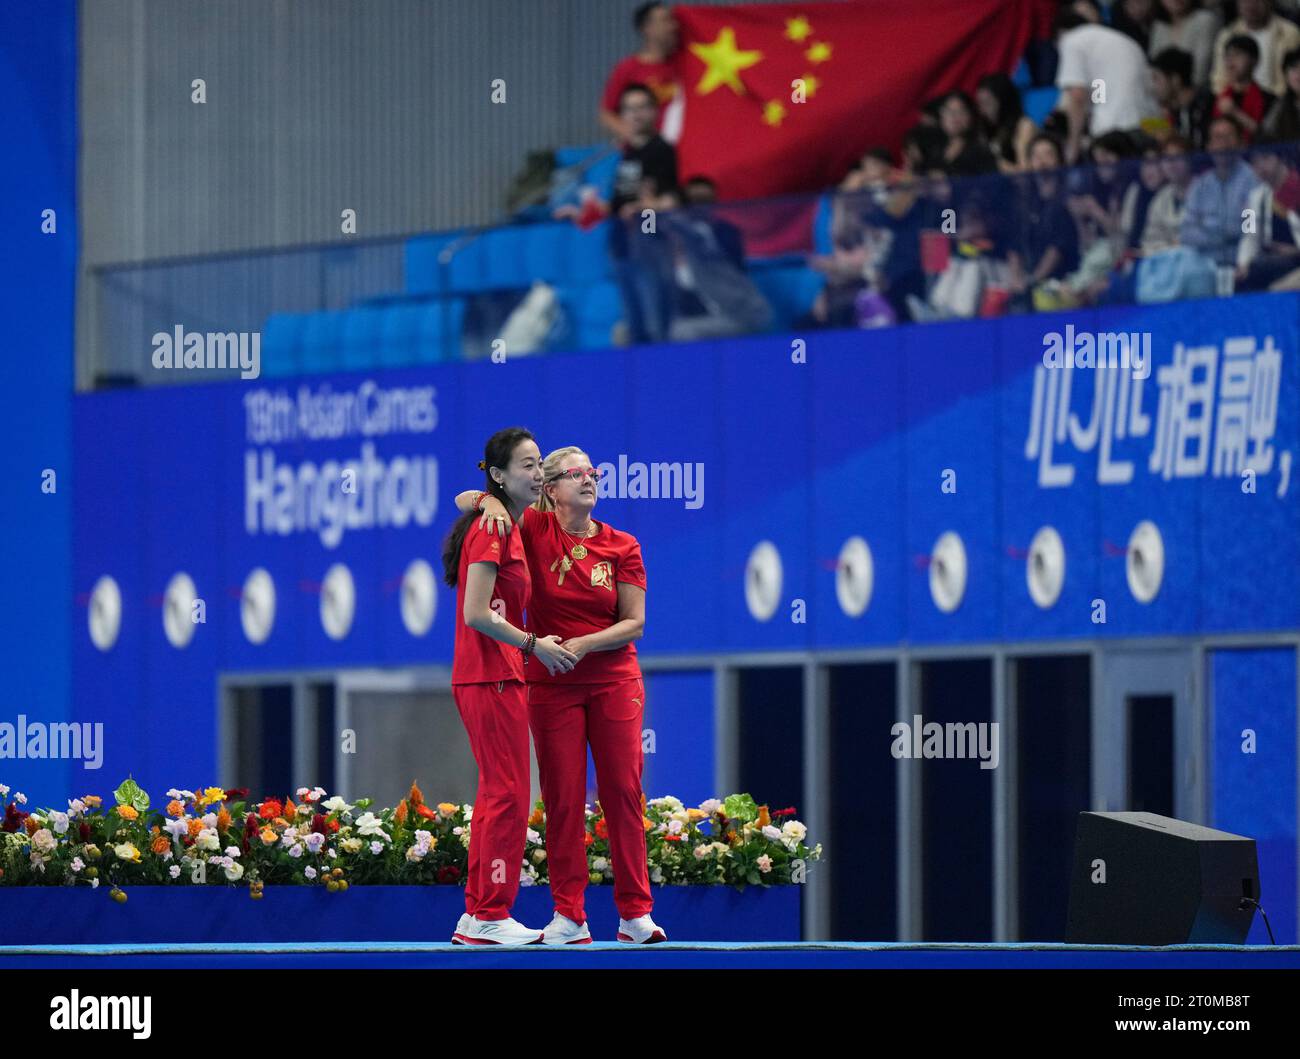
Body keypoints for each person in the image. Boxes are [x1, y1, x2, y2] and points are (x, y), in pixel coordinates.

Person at [454, 448, 666, 946]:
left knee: (623, 794)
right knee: (563, 801)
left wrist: (584, 645)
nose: (590, 480)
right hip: (551, 685)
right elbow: (470, 500)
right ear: (550, 489)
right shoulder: (529, 530)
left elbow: (635, 622)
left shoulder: (624, 545)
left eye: (593, 473)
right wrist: (485, 499)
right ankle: (569, 915)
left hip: (614, 680)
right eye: (576, 475)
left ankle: (635, 913)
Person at [440, 427, 578, 946]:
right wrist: (534, 644)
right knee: (509, 794)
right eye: (526, 464)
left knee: (503, 792)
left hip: (498, 673)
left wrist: (483, 496)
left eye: (540, 462)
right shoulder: (493, 528)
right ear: (500, 474)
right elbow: (476, 613)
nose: (538, 472)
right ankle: (489, 915)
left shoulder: (510, 520)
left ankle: (480, 914)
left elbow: (466, 492)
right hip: (490, 671)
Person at [608, 82, 679, 345]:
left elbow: (672, 200)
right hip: (624, 249)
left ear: (653, 112)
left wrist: (648, 207)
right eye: (629, 109)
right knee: (634, 327)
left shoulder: (663, 151)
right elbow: (621, 203)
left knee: (656, 327)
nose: (636, 115)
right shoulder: (626, 156)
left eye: (642, 108)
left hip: (651, 246)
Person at [665, 176, 772, 340]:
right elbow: (647, 228)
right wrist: (648, 211)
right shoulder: (667, 249)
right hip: (704, 318)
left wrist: (661, 213)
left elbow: (695, 235)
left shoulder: (713, 235)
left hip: (741, 315)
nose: (699, 206)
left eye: (705, 200)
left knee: (681, 332)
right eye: (692, 201)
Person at [1055, 5, 1161, 162]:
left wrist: (1073, 145)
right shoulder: (1114, 41)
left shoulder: (1070, 41)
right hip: (1146, 128)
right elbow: (1100, 86)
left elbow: (1077, 96)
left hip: (1113, 135)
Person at [1181, 114, 1259, 269]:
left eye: (1227, 137)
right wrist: (1219, 237)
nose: (1222, 144)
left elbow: (1249, 228)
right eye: (1216, 138)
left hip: (1242, 263)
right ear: (1209, 146)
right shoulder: (1200, 185)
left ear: (1240, 143)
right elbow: (1186, 232)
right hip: (1204, 266)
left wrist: (1210, 231)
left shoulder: (1253, 181)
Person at [600, 2, 681, 141]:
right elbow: (606, 113)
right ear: (647, 28)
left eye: (672, 21)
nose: (673, 26)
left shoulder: (683, 65)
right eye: (665, 20)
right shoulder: (628, 68)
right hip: (647, 153)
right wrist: (636, 138)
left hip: (680, 149)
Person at [1236, 138, 1300, 288]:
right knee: (1246, 277)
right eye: (1255, 162)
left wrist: (1294, 251)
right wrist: (1243, 263)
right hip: (1272, 260)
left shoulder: (1296, 187)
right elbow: (1248, 235)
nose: (1260, 167)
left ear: (1280, 158)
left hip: (1296, 258)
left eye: (1265, 158)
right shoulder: (1253, 197)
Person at [1210, 0, 1300, 97]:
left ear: (1270, 2)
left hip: (1276, 100)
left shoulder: (1290, 33)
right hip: (1235, 100)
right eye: (1245, 1)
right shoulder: (1228, 35)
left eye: (1257, 0)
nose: (1250, 4)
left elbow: (1290, 79)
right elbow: (1219, 79)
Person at [1212, 34, 1275, 141]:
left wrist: (1235, 113)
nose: (1230, 63)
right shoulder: (1215, 100)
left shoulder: (1270, 100)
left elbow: (1268, 137)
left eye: (1237, 55)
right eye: (1227, 56)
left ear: (1254, 60)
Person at [1150, 47, 1215, 147]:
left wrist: (1175, 138)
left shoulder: (1209, 106)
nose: (1153, 86)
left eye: (1157, 78)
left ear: (1175, 79)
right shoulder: (1168, 113)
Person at [1149, 0, 1222, 88]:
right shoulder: (1159, 26)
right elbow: (1154, 68)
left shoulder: (1205, 20)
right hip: (1163, 94)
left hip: (1194, 93)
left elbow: (1200, 72)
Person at [976, 73, 1038, 173]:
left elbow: (1025, 171)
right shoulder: (983, 127)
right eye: (980, 103)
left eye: (987, 103)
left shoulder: (1024, 126)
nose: (982, 110)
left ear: (1003, 100)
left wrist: (992, 162)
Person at [937, 90, 998, 175]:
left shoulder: (980, 152)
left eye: (961, 111)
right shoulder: (935, 149)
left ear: (970, 116)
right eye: (949, 111)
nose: (954, 117)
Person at [1261, 46, 1300, 139]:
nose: (1299, 73)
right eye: (1294, 68)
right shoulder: (1279, 106)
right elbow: (1265, 136)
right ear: (1285, 76)